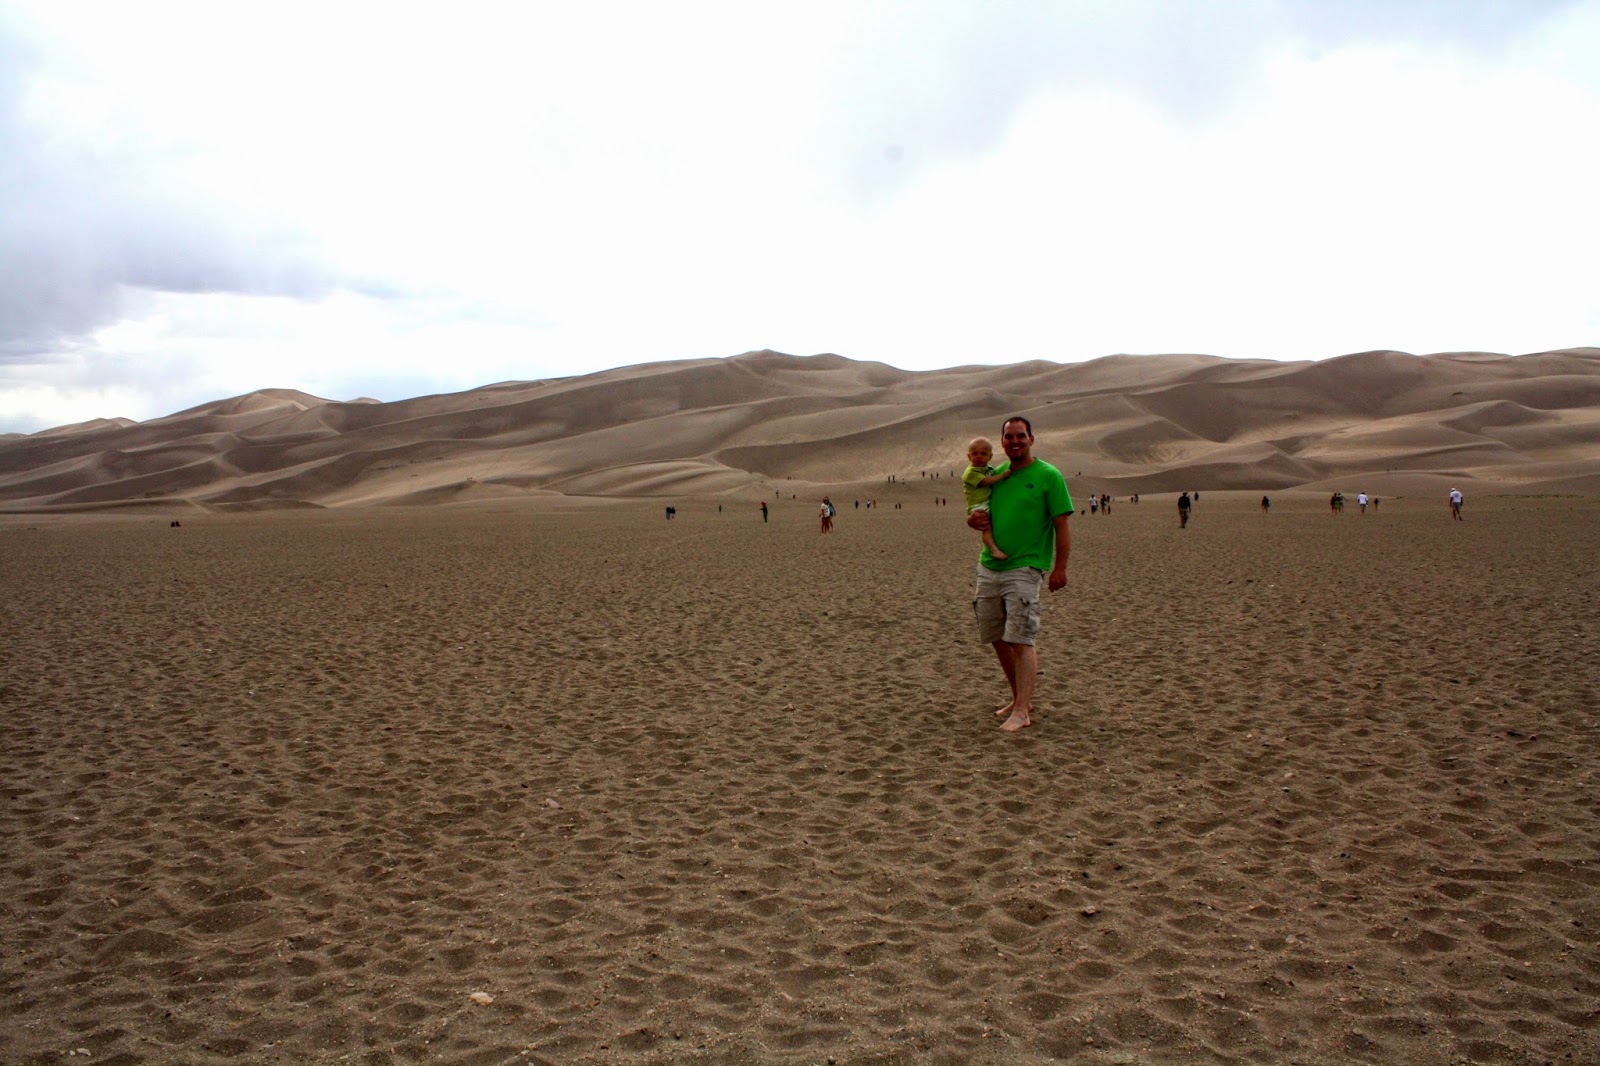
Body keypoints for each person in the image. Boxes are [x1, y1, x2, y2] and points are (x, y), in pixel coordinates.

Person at [966, 416, 1073, 733]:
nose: (1015, 441)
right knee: (997, 637)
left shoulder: (1048, 476)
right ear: (1001, 442)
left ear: (1031, 439)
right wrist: (972, 521)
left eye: (1021, 436)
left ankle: (1023, 711)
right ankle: (1018, 698)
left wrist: (1060, 568)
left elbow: (1062, 525)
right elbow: (978, 510)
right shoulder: (997, 475)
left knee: (1021, 638)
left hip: (1025, 568)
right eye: (1009, 436)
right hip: (989, 566)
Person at [961, 437, 1013, 560]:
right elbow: (985, 481)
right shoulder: (971, 472)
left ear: (990, 456)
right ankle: (994, 549)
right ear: (969, 457)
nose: (979, 456)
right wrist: (1002, 476)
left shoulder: (987, 469)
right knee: (987, 528)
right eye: (975, 454)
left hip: (986, 502)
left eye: (983, 454)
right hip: (978, 504)